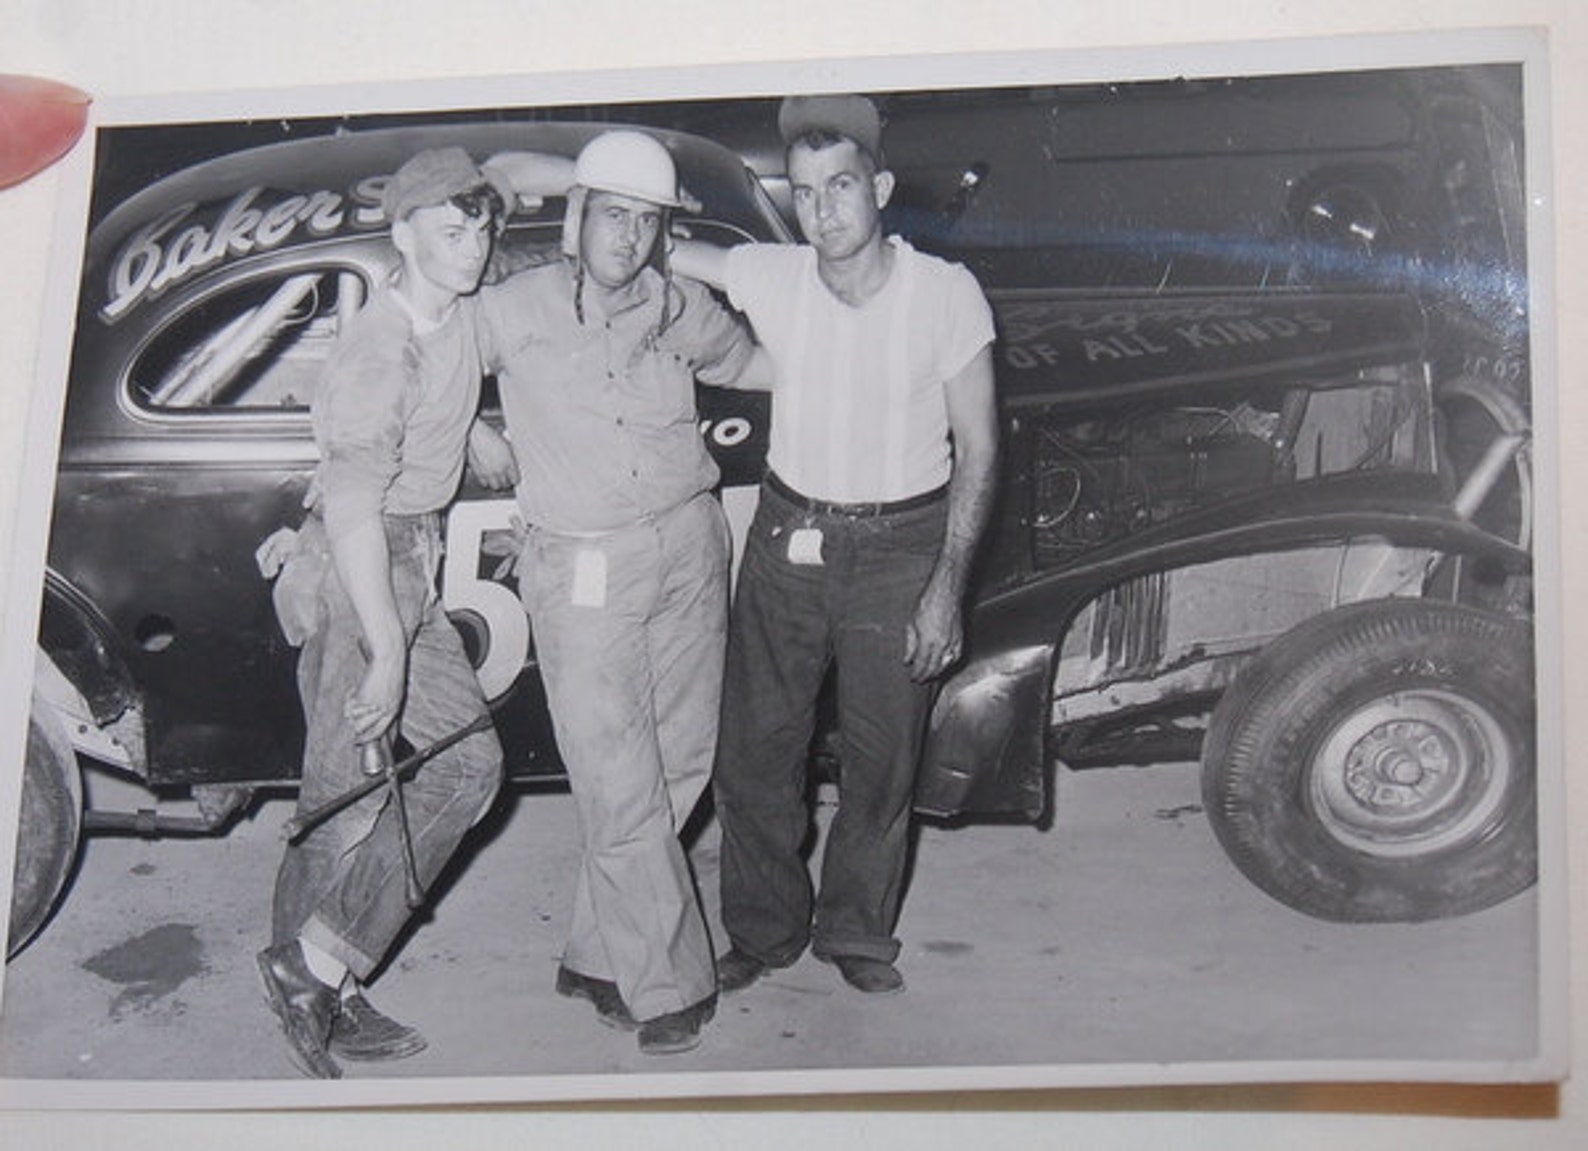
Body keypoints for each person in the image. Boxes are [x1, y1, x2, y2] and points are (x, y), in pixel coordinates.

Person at [672, 94, 999, 997]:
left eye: (841, 186)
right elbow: (653, 243)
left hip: (904, 543)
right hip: (789, 534)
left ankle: (855, 930)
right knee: (754, 752)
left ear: (880, 188)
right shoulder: (771, 274)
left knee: (881, 756)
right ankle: (764, 929)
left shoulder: (945, 294)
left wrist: (946, 589)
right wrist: (562, 190)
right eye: (804, 191)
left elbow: (980, 449)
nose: (822, 210)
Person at [476, 131, 759, 1054]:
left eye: (647, 221)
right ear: (576, 219)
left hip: (689, 543)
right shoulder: (512, 308)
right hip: (583, 566)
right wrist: (473, 426)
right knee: (617, 776)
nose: (630, 238)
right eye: (612, 215)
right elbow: (425, 351)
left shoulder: (682, 307)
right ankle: (670, 980)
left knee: (681, 759)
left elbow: (754, 365)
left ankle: (597, 953)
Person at [253, 147, 512, 1079]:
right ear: (402, 236)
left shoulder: (453, 312)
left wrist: (470, 420)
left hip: (404, 553)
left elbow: (448, 373)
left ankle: (316, 966)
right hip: (365, 568)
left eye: (483, 225)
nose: (477, 244)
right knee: (353, 795)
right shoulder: (378, 349)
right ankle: (317, 974)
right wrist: (390, 649)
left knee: (430, 775)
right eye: (453, 230)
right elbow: (358, 506)